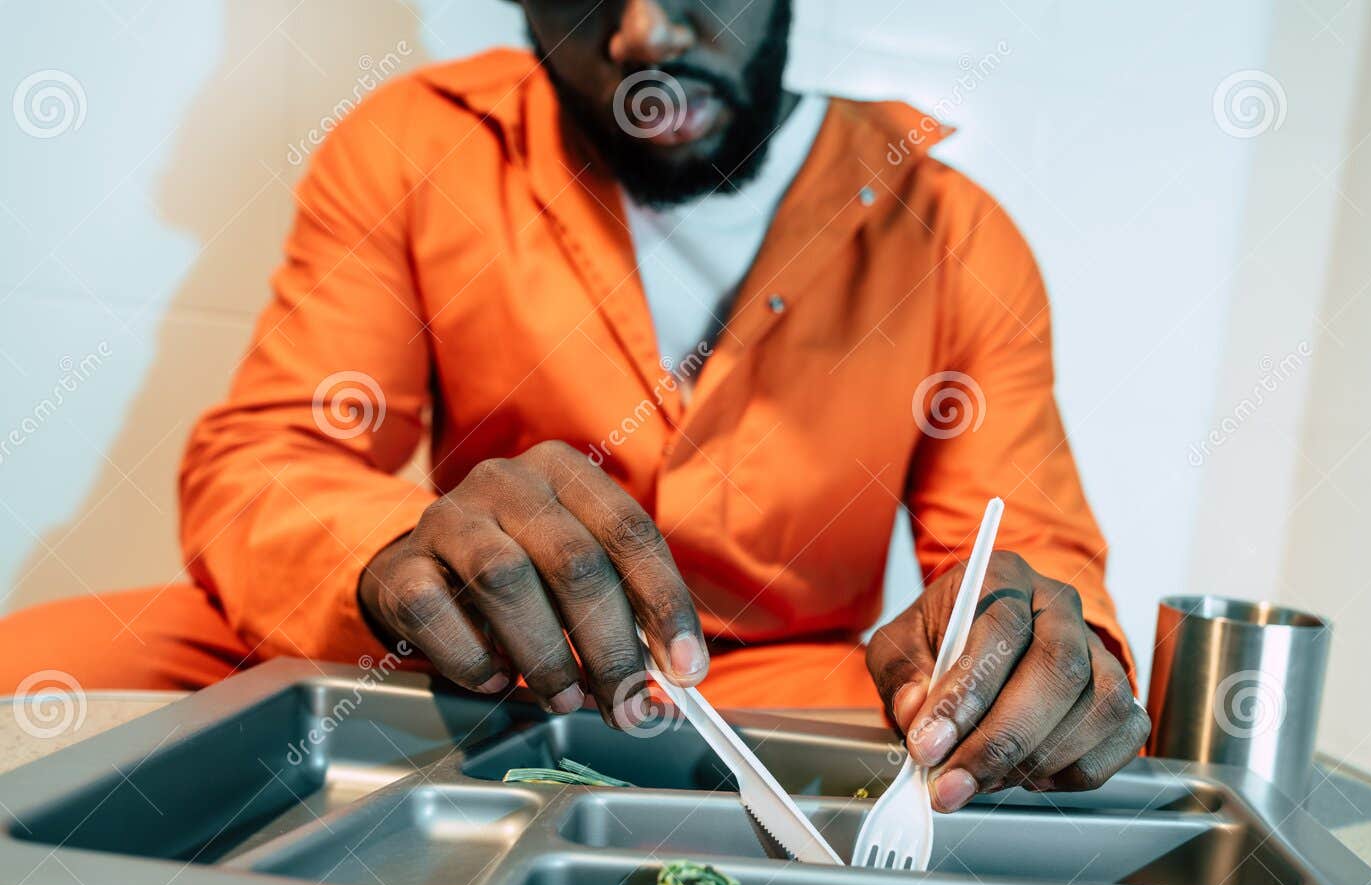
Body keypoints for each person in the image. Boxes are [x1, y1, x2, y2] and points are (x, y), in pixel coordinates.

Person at [0, 0, 1148, 812]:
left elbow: (1023, 552)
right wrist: (393, 552)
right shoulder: (415, 144)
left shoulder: (954, 236)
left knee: (1021, 755)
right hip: (475, 654)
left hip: (767, 689)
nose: (645, 28)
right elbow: (271, 458)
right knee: (39, 670)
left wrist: (1043, 645)